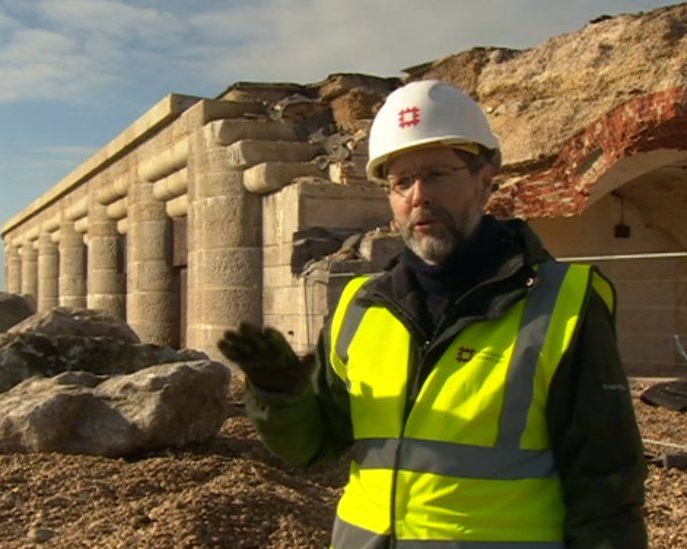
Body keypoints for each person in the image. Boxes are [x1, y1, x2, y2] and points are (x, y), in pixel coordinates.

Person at [219, 80, 647, 548]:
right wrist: (280, 393)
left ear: (484, 182)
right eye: (401, 182)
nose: (418, 195)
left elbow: (606, 488)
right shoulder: (361, 308)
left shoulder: (562, 305)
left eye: (438, 174)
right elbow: (313, 447)